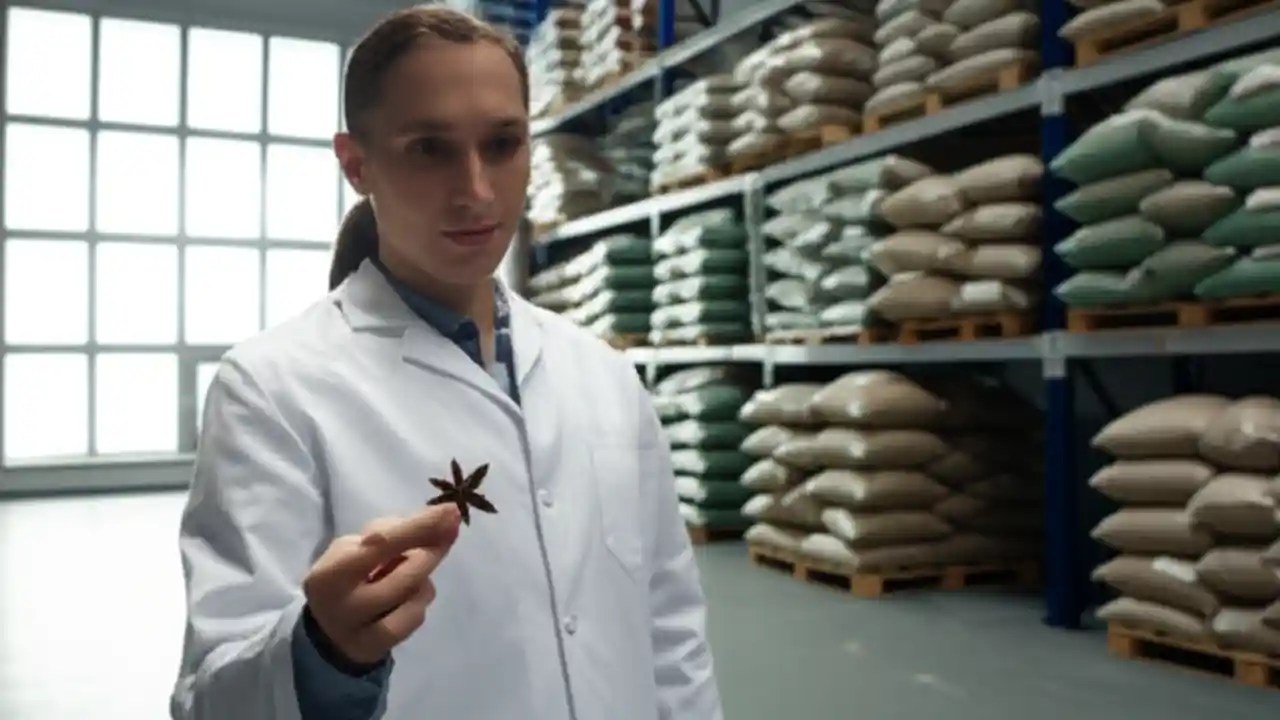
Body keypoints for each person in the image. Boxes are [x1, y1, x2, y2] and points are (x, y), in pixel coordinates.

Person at [169, 6, 723, 720]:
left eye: (503, 144)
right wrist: (321, 656)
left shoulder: (604, 376)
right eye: (430, 149)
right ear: (356, 164)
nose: (477, 190)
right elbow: (213, 696)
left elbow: (671, 628)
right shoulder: (271, 390)